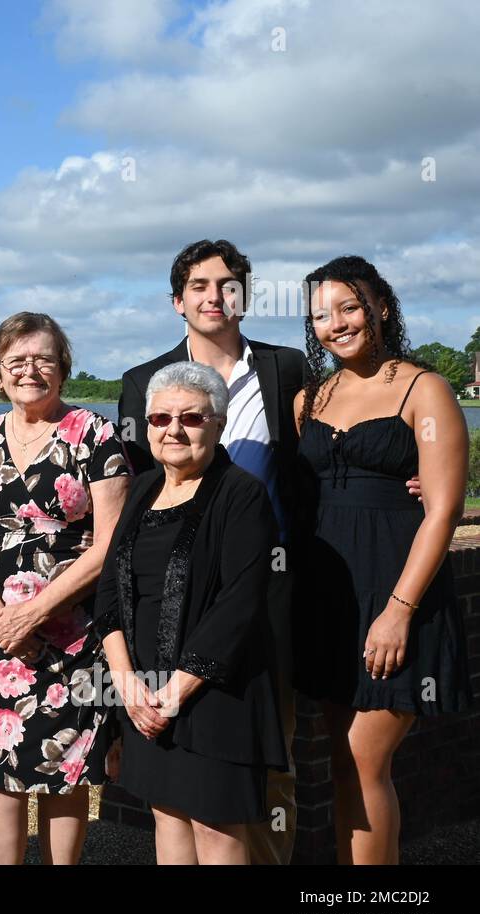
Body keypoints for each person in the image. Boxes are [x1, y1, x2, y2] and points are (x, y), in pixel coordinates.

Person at [118, 238, 305, 865]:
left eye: (227, 285)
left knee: (265, 758)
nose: (214, 296)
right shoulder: (143, 383)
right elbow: (141, 493)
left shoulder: (287, 370)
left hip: (266, 590)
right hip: (173, 592)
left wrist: (408, 478)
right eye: (199, 285)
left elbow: (320, 461)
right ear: (178, 301)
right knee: (177, 787)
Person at [293, 255, 472, 864]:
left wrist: (398, 611)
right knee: (340, 762)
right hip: (327, 596)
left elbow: (444, 511)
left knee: (366, 760)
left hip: (396, 592)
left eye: (349, 307)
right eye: (321, 314)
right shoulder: (309, 398)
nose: (336, 323)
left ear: (382, 307)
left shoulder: (426, 388)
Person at [0, 312, 130, 864]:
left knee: (64, 777)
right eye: (17, 361)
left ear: (64, 368)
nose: (31, 370)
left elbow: (108, 544)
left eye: (44, 359)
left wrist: (36, 614)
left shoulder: (96, 436)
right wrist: (2, 618)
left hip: (72, 637)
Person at [95, 361, 289, 864]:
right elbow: (110, 594)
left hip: (214, 695)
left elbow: (239, 604)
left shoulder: (240, 493)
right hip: (143, 693)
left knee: (215, 830)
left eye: (192, 418)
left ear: (219, 424)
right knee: (168, 819)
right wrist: (127, 683)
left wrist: (173, 694)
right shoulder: (140, 491)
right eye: (160, 419)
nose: (173, 429)